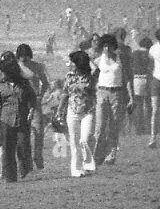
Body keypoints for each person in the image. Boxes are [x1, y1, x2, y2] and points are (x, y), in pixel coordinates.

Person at [0, 58, 36, 182]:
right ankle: (10, 176)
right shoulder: (0, 85)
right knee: (7, 149)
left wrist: (32, 110)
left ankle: (25, 169)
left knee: (23, 145)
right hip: (5, 120)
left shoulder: (24, 84)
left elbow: (32, 98)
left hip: (22, 119)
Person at [92, 34, 128, 167]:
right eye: (105, 46)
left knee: (114, 126)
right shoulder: (98, 60)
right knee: (100, 126)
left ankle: (111, 154)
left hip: (117, 92)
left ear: (113, 46)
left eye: (109, 45)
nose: (107, 48)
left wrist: (130, 96)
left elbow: (127, 78)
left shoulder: (120, 59)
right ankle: (97, 155)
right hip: (102, 92)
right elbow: (92, 76)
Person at [58, 51, 96, 177]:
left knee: (84, 139)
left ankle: (88, 165)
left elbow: (97, 69)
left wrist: (87, 58)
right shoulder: (69, 76)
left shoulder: (90, 76)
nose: (70, 64)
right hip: (72, 111)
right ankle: (76, 169)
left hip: (87, 110)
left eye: (72, 62)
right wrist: (60, 110)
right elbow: (65, 94)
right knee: (74, 142)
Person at [16, 44, 49, 170]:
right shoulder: (16, 67)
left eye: (26, 56)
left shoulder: (36, 66)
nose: (24, 59)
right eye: (21, 56)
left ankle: (38, 157)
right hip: (21, 103)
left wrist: (41, 95)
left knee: (38, 131)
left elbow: (45, 83)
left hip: (35, 103)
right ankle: (26, 161)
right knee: (24, 134)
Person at [149, 28, 160, 148]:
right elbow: (150, 62)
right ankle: (153, 138)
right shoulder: (154, 48)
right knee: (155, 110)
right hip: (157, 81)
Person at [132, 37, 152, 136]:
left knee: (138, 105)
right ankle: (149, 128)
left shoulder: (134, 53)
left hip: (136, 79)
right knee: (148, 104)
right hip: (148, 79)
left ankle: (138, 129)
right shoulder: (150, 54)